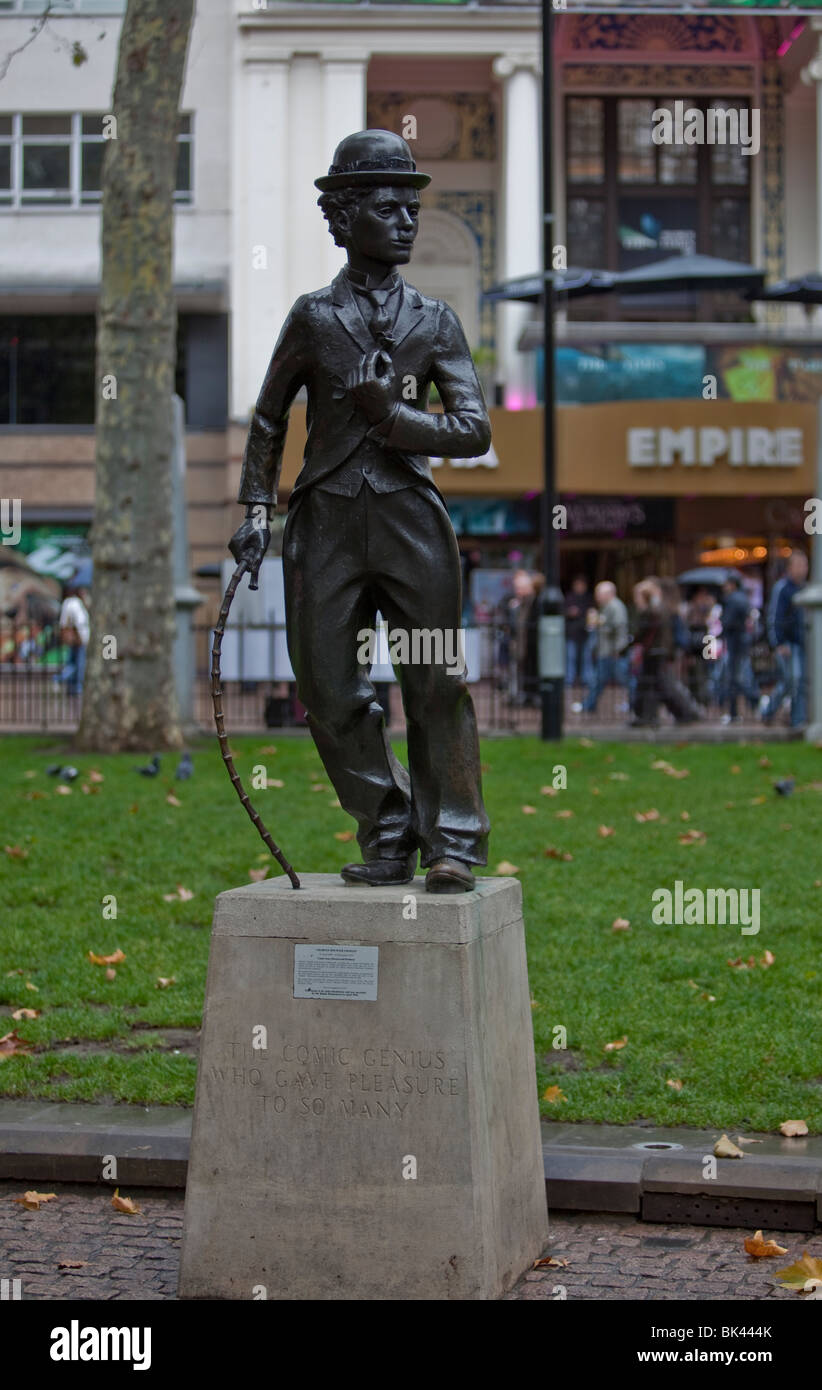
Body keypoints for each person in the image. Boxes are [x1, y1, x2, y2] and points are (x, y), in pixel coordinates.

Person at [228, 130, 491, 894]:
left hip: (412, 520)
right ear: (343, 219)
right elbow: (269, 419)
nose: (408, 221)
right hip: (327, 524)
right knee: (329, 692)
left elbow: (473, 429)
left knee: (435, 681)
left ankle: (454, 846)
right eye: (388, 208)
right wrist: (254, 508)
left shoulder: (436, 321)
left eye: (412, 208)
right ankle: (387, 827)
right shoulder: (313, 318)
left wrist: (392, 419)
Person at [761, 551, 808, 728]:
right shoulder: (782, 588)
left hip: (800, 643)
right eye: (800, 565)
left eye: (805, 565)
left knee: (799, 682)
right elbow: (775, 617)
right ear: (790, 568)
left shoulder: (804, 588)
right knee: (792, 680)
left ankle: (798, 719)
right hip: (787, 644)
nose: (804, 569)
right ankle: (770, 711)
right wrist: (778, 642)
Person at [579, 580, 630, 715]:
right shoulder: (608, 606)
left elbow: (618, 628)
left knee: (625, 679)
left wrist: (618, 649)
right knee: (599, 679)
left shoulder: (615, 606)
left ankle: (635, 703)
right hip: (607, 651)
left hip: (613, 651)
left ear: (609, 593)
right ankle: (589, 704)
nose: (597, 597)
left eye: (599, 594)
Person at [720, 575, 758, 724]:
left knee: (735, 677)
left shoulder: (733, 599)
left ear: (732, 585)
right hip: (741, 641)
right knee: (740, 674)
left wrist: (722, 628)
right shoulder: (743, 598)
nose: (724, 587)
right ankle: (747, 703)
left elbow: (727, 622)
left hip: (734, 642)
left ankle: (746, 704)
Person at [56, 581, 89, 696]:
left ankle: (72, 686)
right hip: (78, 639)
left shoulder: (79, 603)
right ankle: (60, 680)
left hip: (82, 639)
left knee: (76, 664)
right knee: (76, 665)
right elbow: (66, 622)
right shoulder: (71, 602)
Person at [564, 574, 594, 693]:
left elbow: (591, 614)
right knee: (571, 658)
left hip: (584, 633)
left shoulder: (588, 598)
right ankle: (569, 680)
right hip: (572, 633)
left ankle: (586, 680)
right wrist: (569, 613)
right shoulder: (569, 598)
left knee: (585, 658)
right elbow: (563, 612)